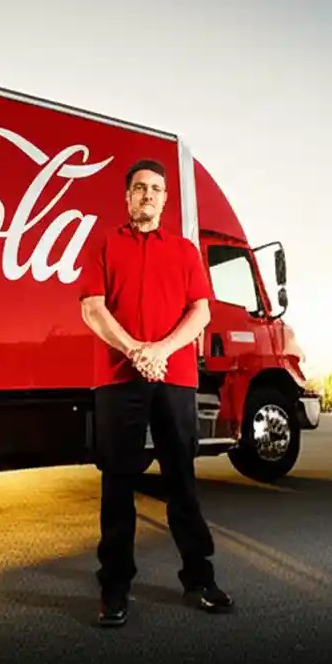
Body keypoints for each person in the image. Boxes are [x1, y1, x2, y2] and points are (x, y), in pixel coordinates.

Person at [77, 158, 234, 627]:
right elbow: (91, 308)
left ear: (166, 199)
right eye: (140, 187)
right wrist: (134, 351)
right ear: (128, 197)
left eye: (156, 189)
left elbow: (202, 313)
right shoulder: (104, 243)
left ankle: (200, 578)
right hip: (118, 379)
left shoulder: (185, 250)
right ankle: (115, 588)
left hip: (176, 377)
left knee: (181, 481)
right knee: (118, 484)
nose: (148, 194)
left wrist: (159, 351)